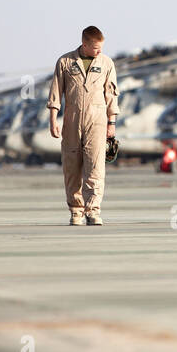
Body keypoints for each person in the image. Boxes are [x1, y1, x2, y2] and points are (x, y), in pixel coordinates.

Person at [47, 26, 118, 225]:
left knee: (95, 167)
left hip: (97, 121)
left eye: (101, 47)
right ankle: (76, 211)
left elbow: (111, 95)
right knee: (72, 167)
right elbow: (55, 93)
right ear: (84, 44)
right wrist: (53, 120)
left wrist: (111, 122)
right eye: (95, 48)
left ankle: (93, 210)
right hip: (71, 121)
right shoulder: (65, 62)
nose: (99, 51)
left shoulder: (106, 63)